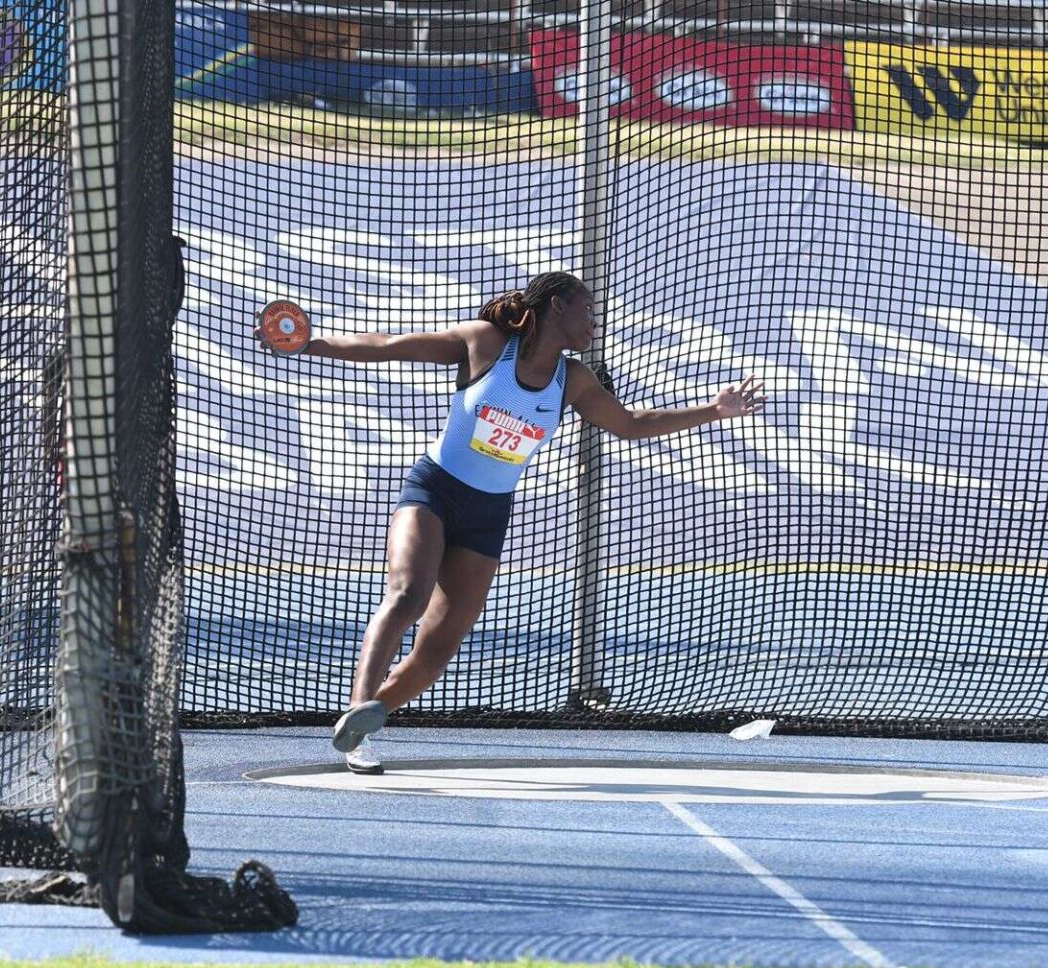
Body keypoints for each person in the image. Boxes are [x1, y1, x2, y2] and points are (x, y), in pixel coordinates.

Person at [256, 272, 766, 773]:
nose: (594, 321)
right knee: (407, 595)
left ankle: (365, 723)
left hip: (488, 515)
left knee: (440, 647)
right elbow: (388, 345)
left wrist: (715, 410)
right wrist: (309, 344)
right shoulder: (485, 344)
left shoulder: (575, 380)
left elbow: (631, 424)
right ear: (556, 306)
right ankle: (358, 702)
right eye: (586, 309)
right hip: (434, 490)